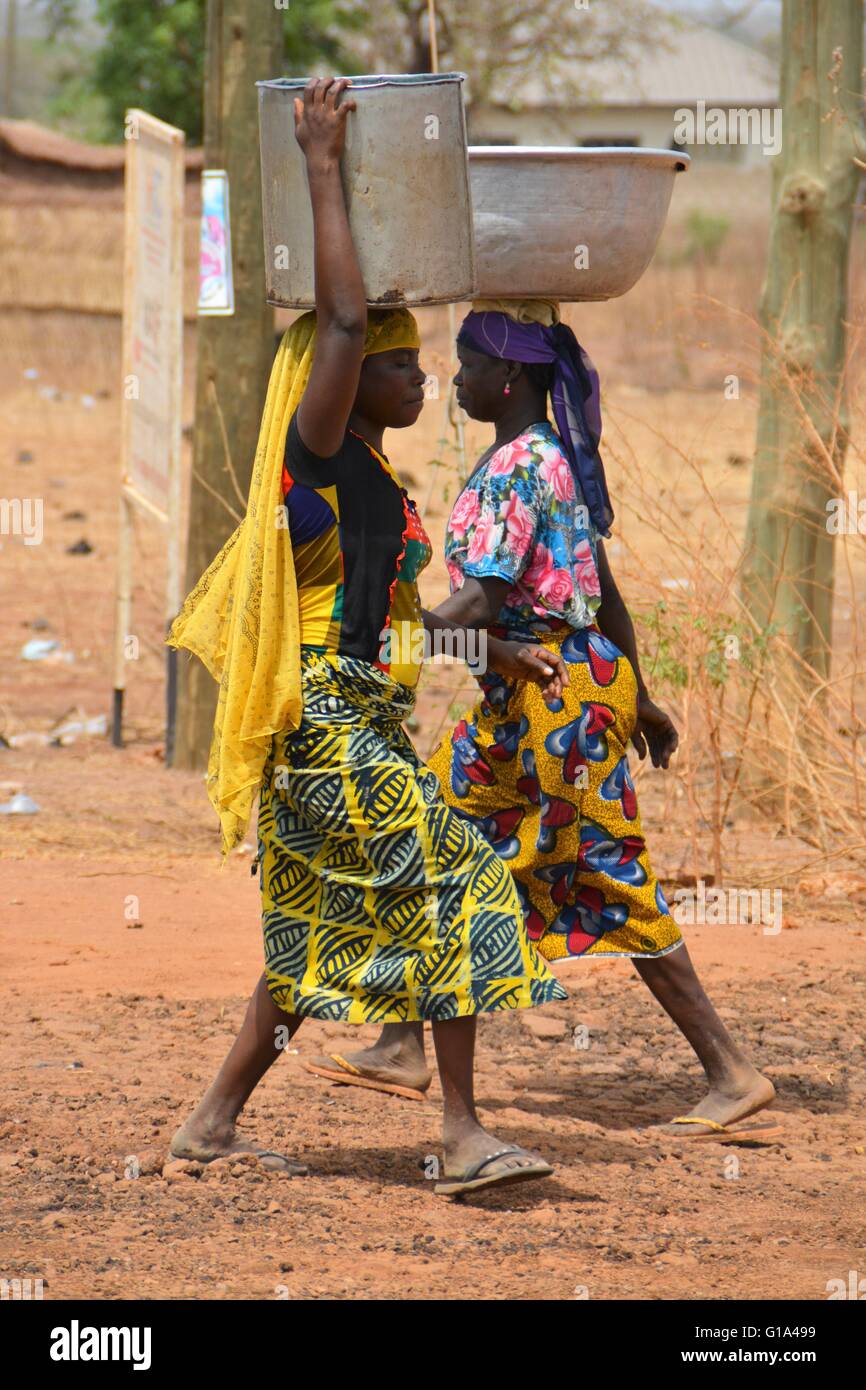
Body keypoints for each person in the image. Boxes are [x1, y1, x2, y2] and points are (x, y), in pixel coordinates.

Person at [166, 81, 572, 1198]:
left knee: (313, 933)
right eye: (401, 365)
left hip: (347, 715)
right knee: (457, 886)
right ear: (344, 382)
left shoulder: (371, 482)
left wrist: (488, 654)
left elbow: (376, 634)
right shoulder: (321, 450)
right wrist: (320, 162)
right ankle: (459, 1130)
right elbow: (340, 318)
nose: (419, 375)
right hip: (328, 730)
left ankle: (208, 1123)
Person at [305, 299, 779, 1145]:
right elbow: (604, 587)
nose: (454, 380)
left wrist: (400, 623)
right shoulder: (546, 458)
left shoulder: (518, 467)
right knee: (436, 843)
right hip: (549, 696)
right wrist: (638, 690)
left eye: (468, 366)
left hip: (551, 703)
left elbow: (482, 602)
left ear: (510, 376)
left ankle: (731, 1071)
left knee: (608, 873)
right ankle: (400, 1044)